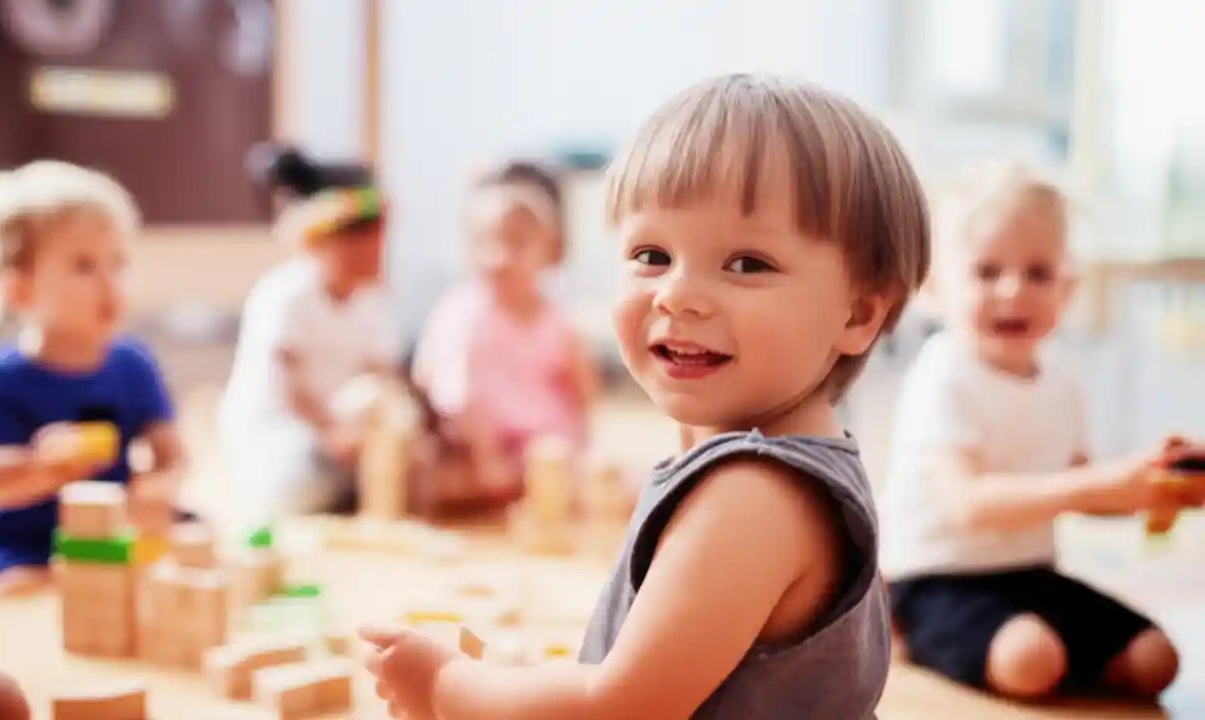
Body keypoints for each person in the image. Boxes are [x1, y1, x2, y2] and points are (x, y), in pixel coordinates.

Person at [361, 73, 930, 719]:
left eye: (747, 264)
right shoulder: (795, 463)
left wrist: (448, 688)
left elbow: (622, 707)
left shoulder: (756, 499)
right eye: (652, 254)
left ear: (856, 315)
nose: (677, 294)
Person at [880, 161, 1202, 700]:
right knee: (1031, 660)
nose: (1014, 290)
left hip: (1028, 572)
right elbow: (969, 504)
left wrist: (1150, 487)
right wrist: (1097, 484)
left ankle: (1047, 650)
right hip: (936, 577)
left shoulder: (1062, 383)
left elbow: (1083, 487)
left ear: (1066, 289)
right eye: (986, 272)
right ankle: (905, 633)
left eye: (1038, 273)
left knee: (1157, 660)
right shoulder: (943, 373)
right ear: (935, 288)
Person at [0, 160, 185, 598]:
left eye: (118, 263)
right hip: (27, 544)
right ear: (19, 290)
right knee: (10, 588)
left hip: (115, 529)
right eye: (83, 266)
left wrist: (158, 487)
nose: (109, 282)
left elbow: (170, 452)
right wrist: (41, 467)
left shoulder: (132, 363)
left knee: (194, 541)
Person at [218, 167, 401, 523]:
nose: (374, 250)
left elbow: (381, 378)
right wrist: (333, 434)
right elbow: (291, 388)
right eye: (360, 238)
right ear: (329, 240)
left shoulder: (375, 302)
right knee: (297, 483)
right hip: (283, 430)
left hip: (346, 431)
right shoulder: (286, 294)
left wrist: (379, 430)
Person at [412, 161, 596, 508]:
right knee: (442, 480)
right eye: (486, 243)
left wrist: (584, 445)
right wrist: (486, 455)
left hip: (546, 450)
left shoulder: (556, 318)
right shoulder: (464, 311)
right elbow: (452, 393)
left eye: (517, 243)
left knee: (600, 480)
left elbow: (581, 386)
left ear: (552, 250)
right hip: (478, 448)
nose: (499, 258)